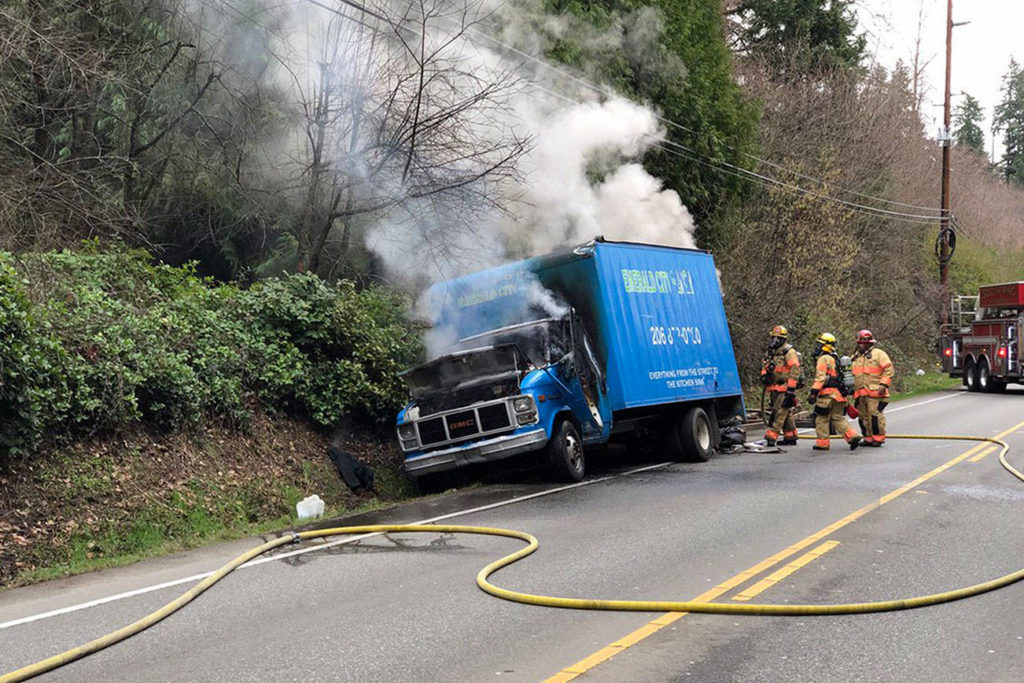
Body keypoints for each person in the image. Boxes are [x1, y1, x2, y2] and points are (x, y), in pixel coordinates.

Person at [808, 332, 861, 451]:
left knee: (821, 419)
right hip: (839, 395)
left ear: (825, 346)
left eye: (819, 345)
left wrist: (813, 392)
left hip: (827, 396)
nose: (817, 347)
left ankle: (823, 443)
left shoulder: (823, 358)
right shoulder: (836, 358)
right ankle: (853, 436)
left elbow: (820, 377)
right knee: (837, 418)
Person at [852, 329, 894, 447]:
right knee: (863, 417)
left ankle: (878, 437)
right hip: (860, 393)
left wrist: (884, 384)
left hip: (875, 393)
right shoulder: (856, 356)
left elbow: (888, 370)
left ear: (868, 343)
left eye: (861, 343)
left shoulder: (879, 354)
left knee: (874, 416)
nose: (859, 345)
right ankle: (868, 438)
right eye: (858, 343)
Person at [760, 325, 801, 447]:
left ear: (784, 339)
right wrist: (764, 376)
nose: (775, 341)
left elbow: (795, 370)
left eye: (778, 338)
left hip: (785, 388)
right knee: (786, 412)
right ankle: (791, 436)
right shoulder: (771, 352)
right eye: (773, 338)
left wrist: (791, 389)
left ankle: (771, 436)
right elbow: (764, 366)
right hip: (774, 388)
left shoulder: (789, 352)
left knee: (779, 413)